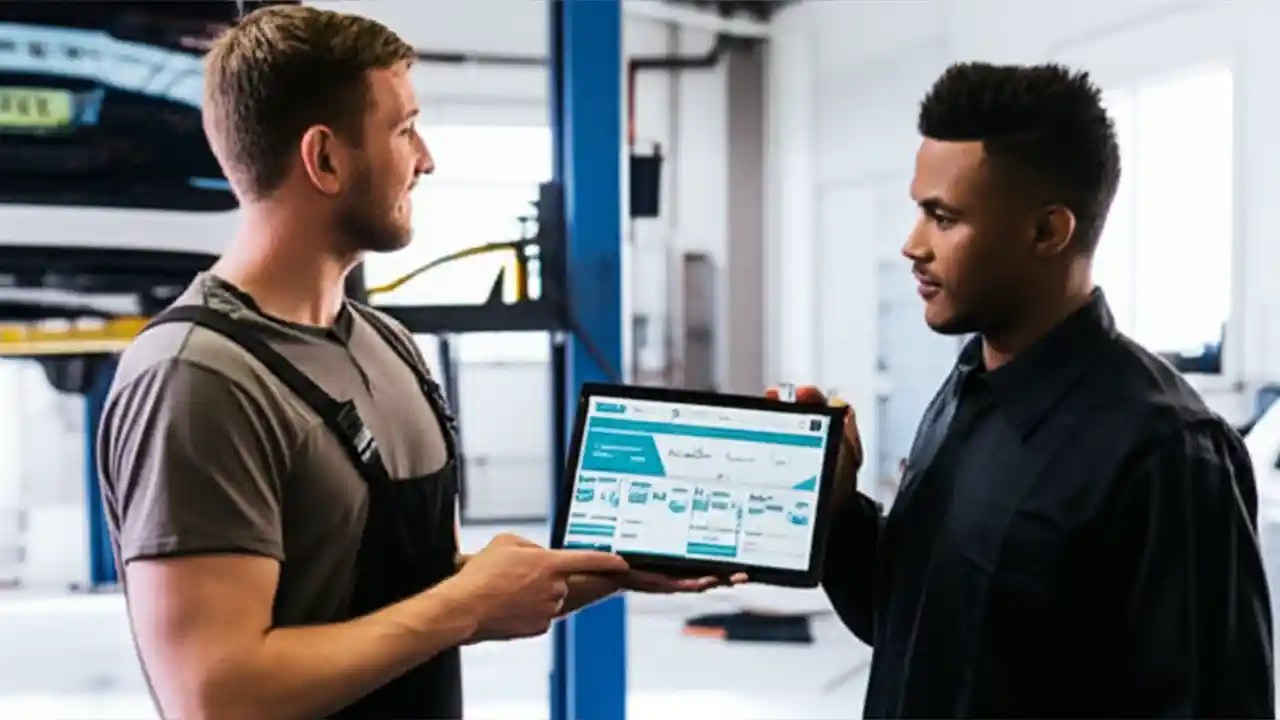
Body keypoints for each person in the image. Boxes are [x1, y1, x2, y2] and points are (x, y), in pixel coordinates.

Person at [95, 6, 737, 720]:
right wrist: (464, 604)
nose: (426, 157)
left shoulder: (385, 344)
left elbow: (405, 593)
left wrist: (617, 568)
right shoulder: (199, 379)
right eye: (404, 129)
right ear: (325, 159)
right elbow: (217, 694)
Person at [784, 62, 1274, 717]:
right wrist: (841, 514)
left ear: (1047, 232)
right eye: (917, 211)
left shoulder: (1168, 455)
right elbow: (923, 630)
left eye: (943, 217)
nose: (911, 245)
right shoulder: (967, 387)